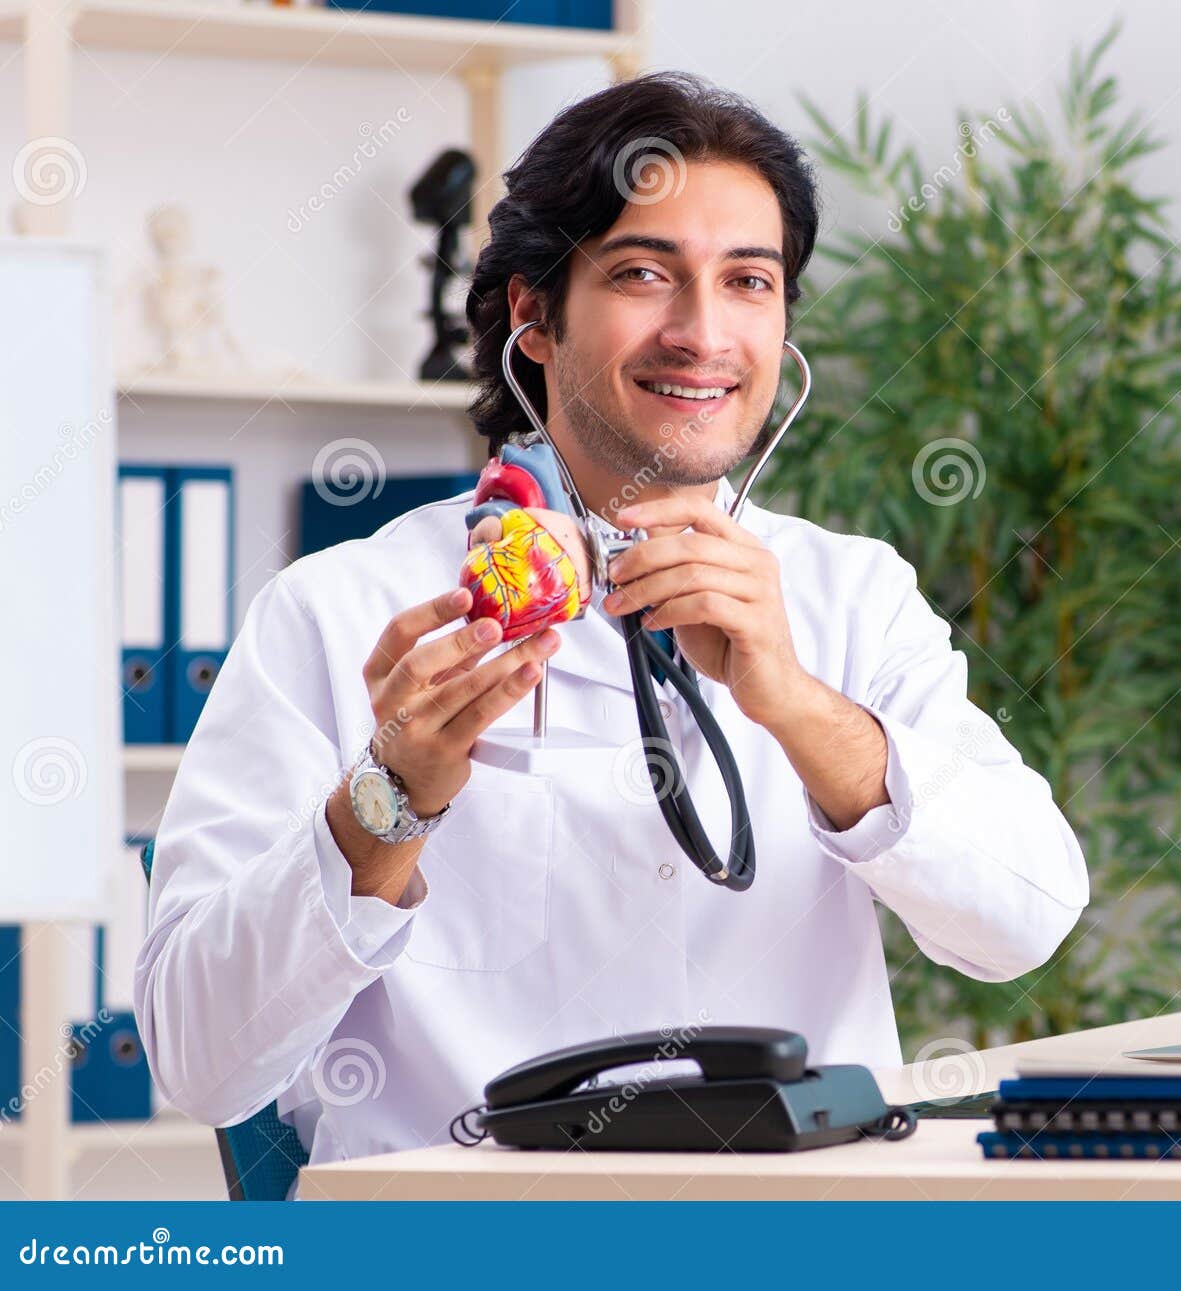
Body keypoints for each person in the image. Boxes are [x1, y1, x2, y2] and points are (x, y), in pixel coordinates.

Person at [135, 71, 1089, 1171]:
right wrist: (387, 801)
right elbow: (198, 1060)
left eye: (748, 282)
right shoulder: (338, 610)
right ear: (532, 317)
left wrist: (796, 705)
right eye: (645, 273)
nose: (703, 332)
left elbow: (1025, 922)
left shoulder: (848, 596)